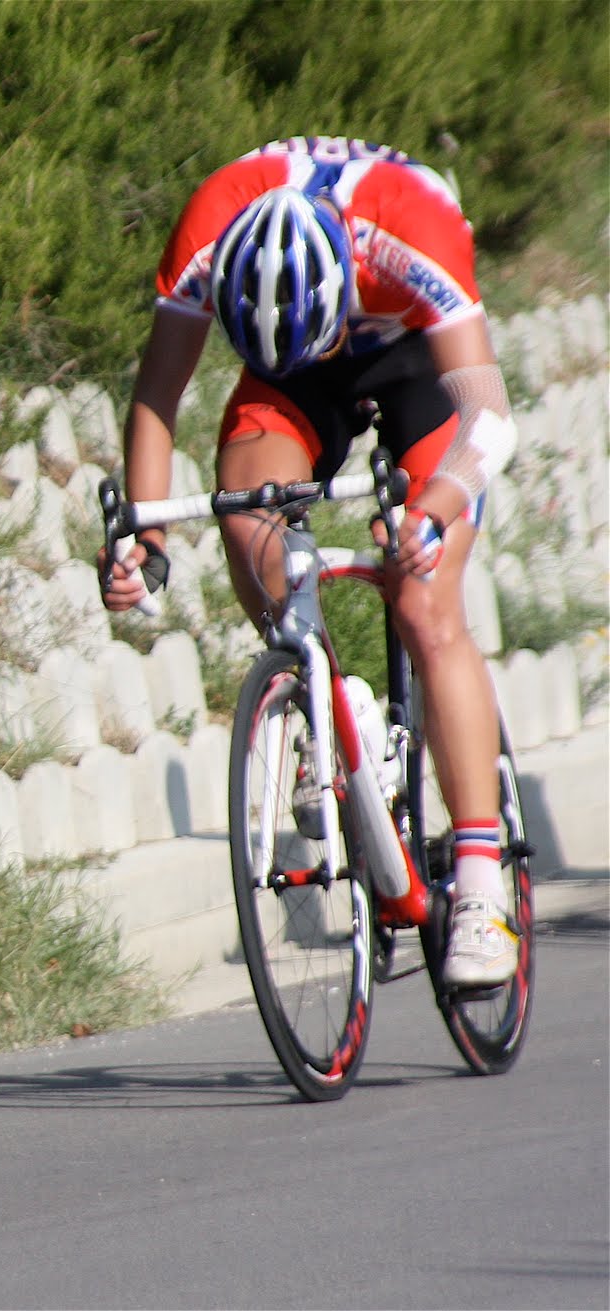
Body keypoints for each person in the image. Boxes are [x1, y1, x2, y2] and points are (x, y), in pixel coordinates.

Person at [99, 135, 520, 988]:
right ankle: (324, 700)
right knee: (245, 506)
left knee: (424, 600)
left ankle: (481, 883)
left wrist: (433, 510)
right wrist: (145, 537)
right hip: (288, 371)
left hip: (413, 358)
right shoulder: (207, 231)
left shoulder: (412, 228)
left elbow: (488, 415)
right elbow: (158, 395)